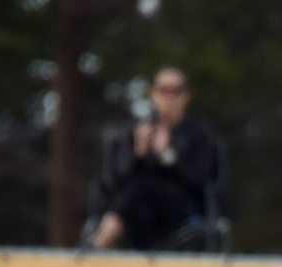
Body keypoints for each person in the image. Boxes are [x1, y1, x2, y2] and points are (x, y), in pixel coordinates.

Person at [88, 67, 220, 250]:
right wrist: (139, 153)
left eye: (177, 91)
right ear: (153, 94)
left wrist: (168, 156)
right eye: (164, 90)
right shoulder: (136, 130)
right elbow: (117, 182)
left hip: (180, 209)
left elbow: (203, 180)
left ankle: (98, 243)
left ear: (187, 96)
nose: (170, 97)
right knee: (136, 196)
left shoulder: (199, 134)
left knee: (140, 191)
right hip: (138, 211)